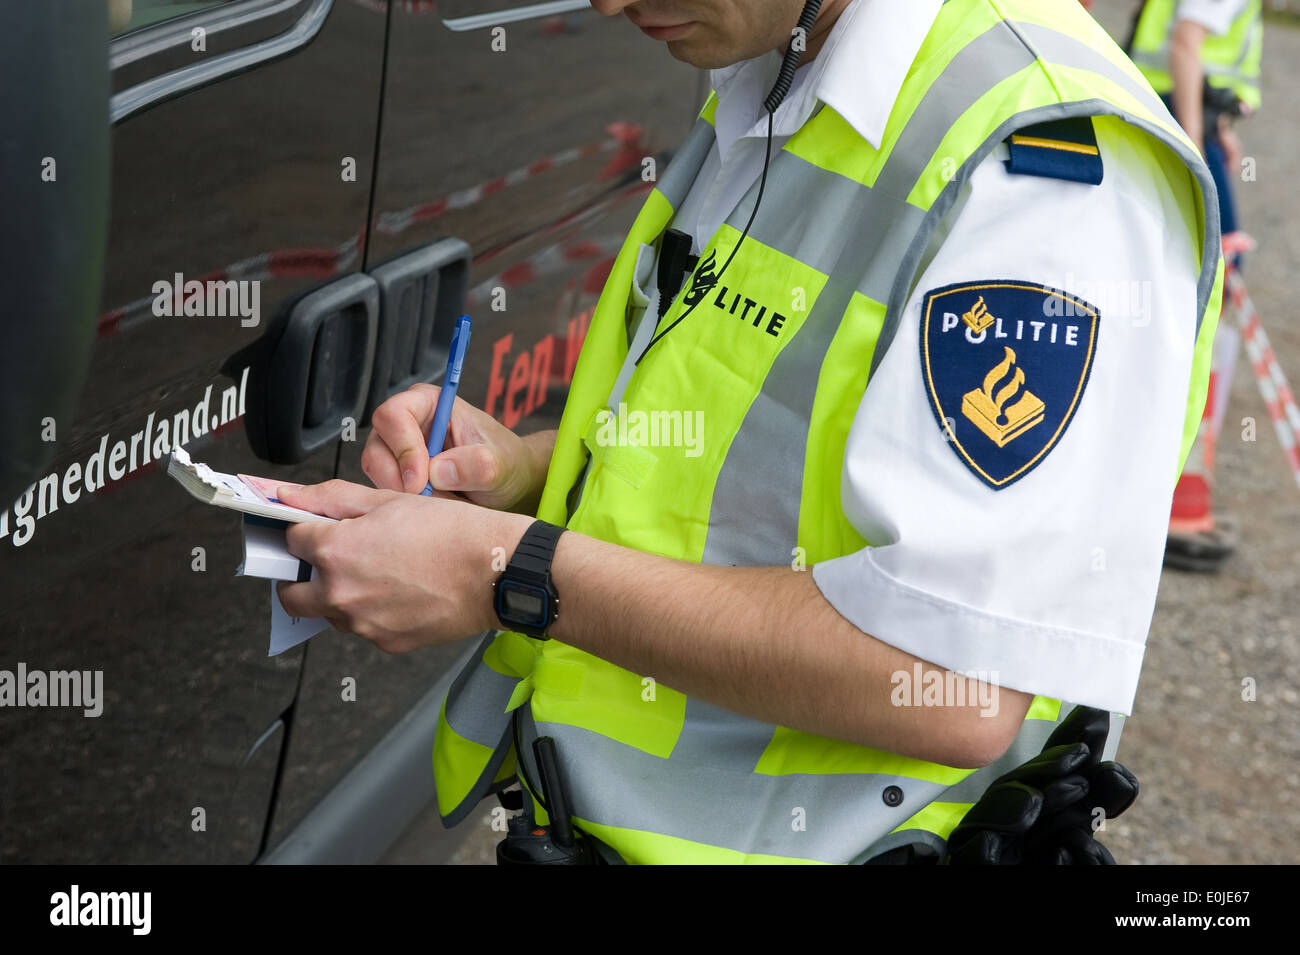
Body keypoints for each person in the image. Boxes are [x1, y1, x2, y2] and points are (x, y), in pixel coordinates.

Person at [276, 0, 1224, 864]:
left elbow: (955, 680)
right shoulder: (778, 65)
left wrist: (505, 571)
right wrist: (521, 469)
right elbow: (750, 442)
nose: (607, 4)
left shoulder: (1047, 163)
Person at [1126, 0, 1263, 570]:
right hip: (1176, 117)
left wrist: (1218, 125)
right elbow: (1185, 41)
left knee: (1189, 285)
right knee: (1206, 286)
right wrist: (1193, 142)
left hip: (1180, 112)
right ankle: (1165, 481)